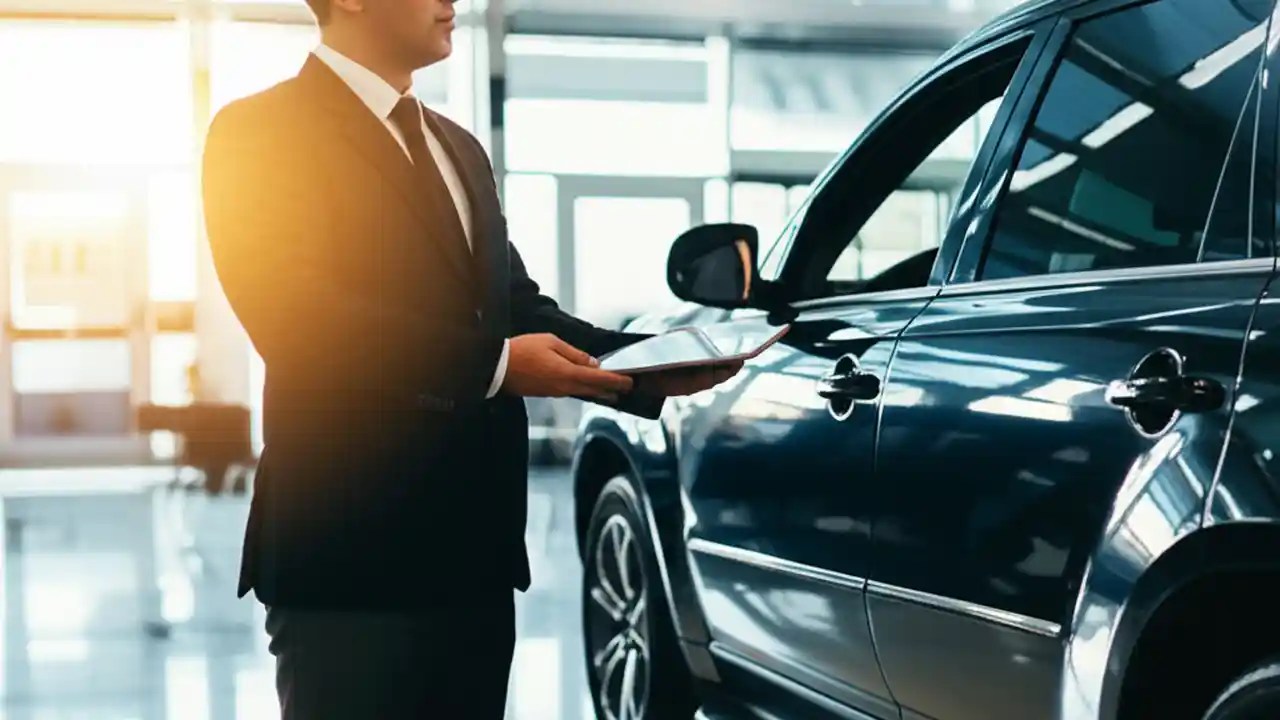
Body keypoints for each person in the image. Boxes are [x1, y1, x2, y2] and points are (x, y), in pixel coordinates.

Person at [199, 0, 740, 717]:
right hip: (349, 564)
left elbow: (514, 307)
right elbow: (300, 321)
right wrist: (493, 366)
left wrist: (645, 363)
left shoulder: (458, 148)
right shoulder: (257, 134)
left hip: (474, 562)